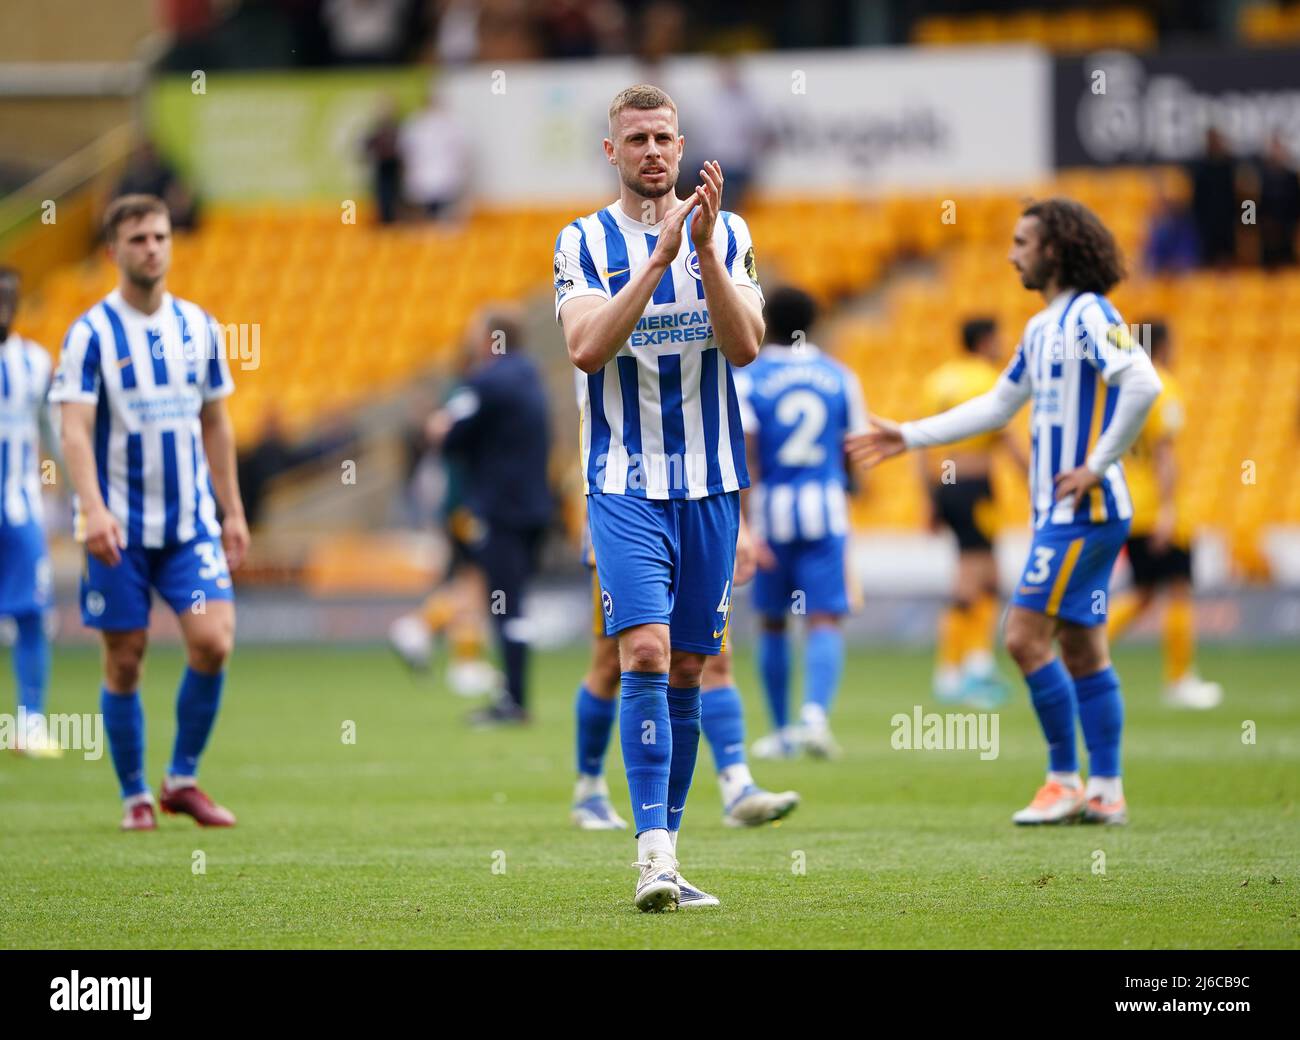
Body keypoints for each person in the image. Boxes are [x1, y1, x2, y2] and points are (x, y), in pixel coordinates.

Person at [848, 198, 1162, 828]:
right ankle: (1105, 790)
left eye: (1024, 241)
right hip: (1072, 510)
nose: (1013, 252)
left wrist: (1098, 462)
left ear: (1056, 248)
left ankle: (1063, 780)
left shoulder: (1087, 314)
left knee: (1021, 637)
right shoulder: (1043, 326)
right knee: (1081, 647)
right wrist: (908, 435)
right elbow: (996, 407)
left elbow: (1143, 382)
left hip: (1085, 507)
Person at [554, 84, 763, 911]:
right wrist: (659, 259)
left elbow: (745, 349)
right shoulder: (581, 241)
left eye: (664, 138)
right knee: (639, 651)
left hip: (711, 484)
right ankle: (650, 856)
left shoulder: (734, 234)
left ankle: (669, 851)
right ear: (613, 151)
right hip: (623, 483)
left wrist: (704, 252)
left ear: (682, 148)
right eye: (636, 137)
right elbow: (585, 347)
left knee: (688, 663)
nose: (652, 151)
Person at [50, 194, 249, 831]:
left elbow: (216, 420)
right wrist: (94, 509)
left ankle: (180, 779)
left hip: (188, 528)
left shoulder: (198, 327)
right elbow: (74, 431)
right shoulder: (89, 334)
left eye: (159, 236)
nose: (152, 248)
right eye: (137, 239)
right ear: (114, 252)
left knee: (213, 642)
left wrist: (233, 510)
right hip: (119, 532)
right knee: (126, 656)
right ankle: (135, 793)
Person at [571, 481, 799, 833]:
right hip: (626, 508)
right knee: (616, 661)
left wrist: (740, 526)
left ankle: (736, 784)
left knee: (709, 657)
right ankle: (589, 787)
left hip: (699, 508)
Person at [733, 286, 867, 760]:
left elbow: (745, 452)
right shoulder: (839, 376)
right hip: (826, 508)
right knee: (825, 616)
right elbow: (855, 447)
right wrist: (850, 489)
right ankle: (816, 717)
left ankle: (783, 730)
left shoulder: (749, 376)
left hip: (771, 514)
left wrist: (744, 525)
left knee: (772, 621)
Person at [425, 307, 552, 725]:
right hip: (535, 508)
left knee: (505, 605)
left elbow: (450, 432)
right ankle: (514, 692)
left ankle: (514, 700)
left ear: (489, 339)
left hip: (500, 510)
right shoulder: (531, 376)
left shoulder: (486, 382)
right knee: (513, 604)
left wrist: (442, 433)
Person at [1107, 320, 1221, 709]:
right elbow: (1164, 453)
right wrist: (1170, 510)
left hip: (1129, 503)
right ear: (1163, 345)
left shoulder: (1121, 389)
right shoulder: (1162, 386)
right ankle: (1179, 679)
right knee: (1177, 588)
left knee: (1142, 592)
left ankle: (1082, 656)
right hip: (1157, 507)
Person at [916, 317, 1026, 708]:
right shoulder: (987, 380)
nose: (1002, 343)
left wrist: (928, 498)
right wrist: (1033, 478)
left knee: (990, 577)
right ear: (984, 340)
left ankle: (976, 664)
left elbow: (924, 443)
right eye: (998, 337)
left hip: (946, 486)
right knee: (971, 579)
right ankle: (953, 672)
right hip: (975, 487)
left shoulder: (939, 380)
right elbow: (1007, 437)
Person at [0, 266, 59, 757]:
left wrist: (86, 496)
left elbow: (58, 435)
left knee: (33, 613)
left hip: (21, 510)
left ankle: (30, 724)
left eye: (9, 299)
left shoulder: (36, 363)